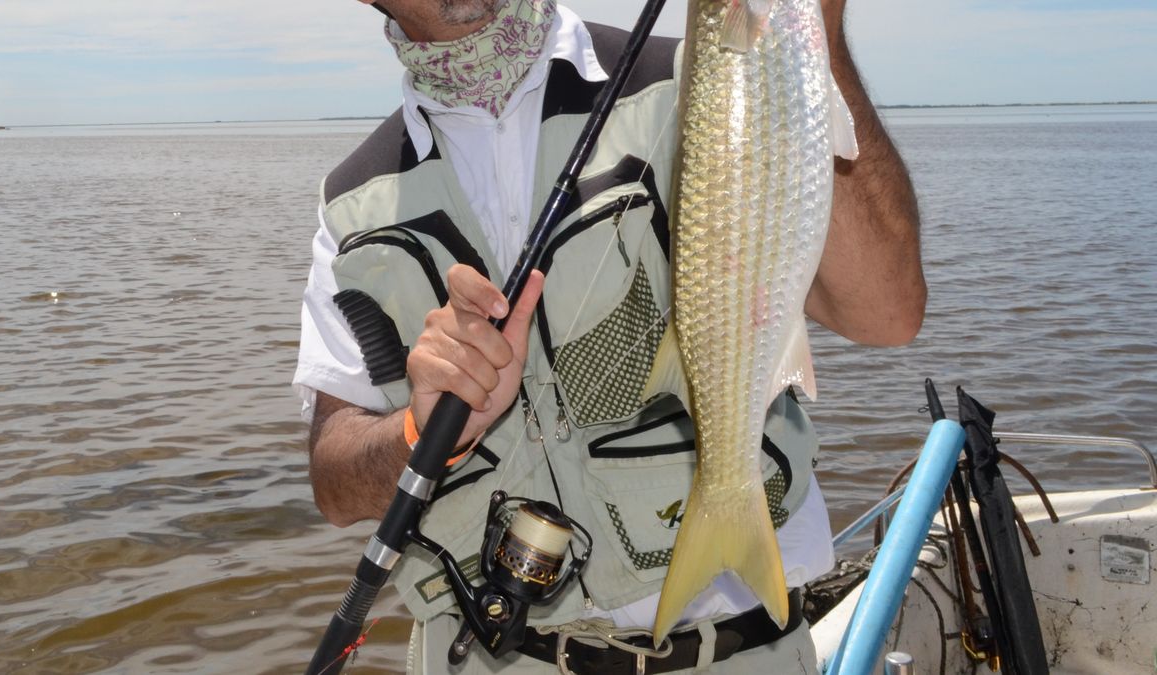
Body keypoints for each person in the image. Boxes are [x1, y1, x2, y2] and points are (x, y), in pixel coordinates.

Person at [294, 0, 925, 672]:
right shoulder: (351, 205)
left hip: (741, 650)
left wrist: (813, 37)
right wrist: (421, 430)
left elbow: (887, 316)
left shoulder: (696, 78)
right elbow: (335, 482)